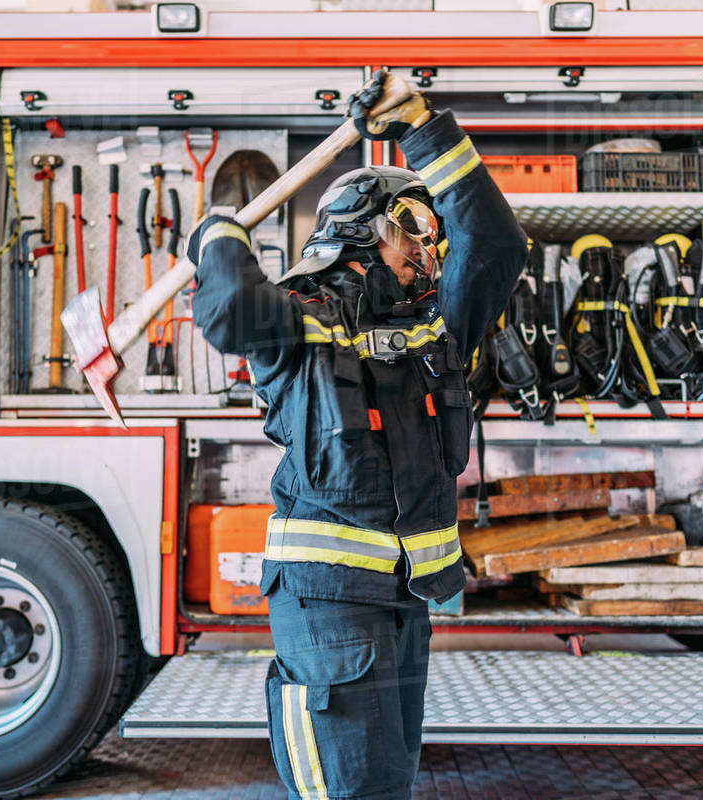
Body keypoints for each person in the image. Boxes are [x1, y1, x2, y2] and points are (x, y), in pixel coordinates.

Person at [188, 70, 527, 800]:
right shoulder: (298, 317)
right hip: (329, 602)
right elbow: (226, 311)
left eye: (435, 231)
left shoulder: (436, 326)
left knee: (388, 787)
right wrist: (218, 229)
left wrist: (424, 126)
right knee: (353, 792)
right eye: (416, 227)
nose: (432, 247)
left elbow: (496, 244)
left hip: (407, 599)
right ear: (362, 232)